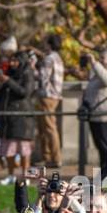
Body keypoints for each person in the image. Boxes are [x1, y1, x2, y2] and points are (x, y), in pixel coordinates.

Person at [0, 38, 37, 185]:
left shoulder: (27, 74)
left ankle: (26, 176)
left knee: (24, 150)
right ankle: (11, 175)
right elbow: (1, 94)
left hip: (22, 117)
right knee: (9, 150)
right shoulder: (9, 73)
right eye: (11, 60)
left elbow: (25, 92)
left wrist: (8, 81)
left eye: (15, 61)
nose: (12, 64)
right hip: (9, 117)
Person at [78, 47, 107, 176]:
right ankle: (102, 176)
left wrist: (94, 63)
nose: (100, 60)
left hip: (106, 116)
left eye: (103, 58)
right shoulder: (96, 75)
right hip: (95, 115)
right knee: (101, 148)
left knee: (106, 148)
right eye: (99, 58)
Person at [35, 35, 64, 167]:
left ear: (49, 44)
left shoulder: (49, 59)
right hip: (55, 96)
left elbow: (42, 77)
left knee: (49, 128)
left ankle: (55, 158)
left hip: (47, 96)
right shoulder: (58, 58)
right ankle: (47, 158)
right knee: (45, 128)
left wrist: (32, 67)